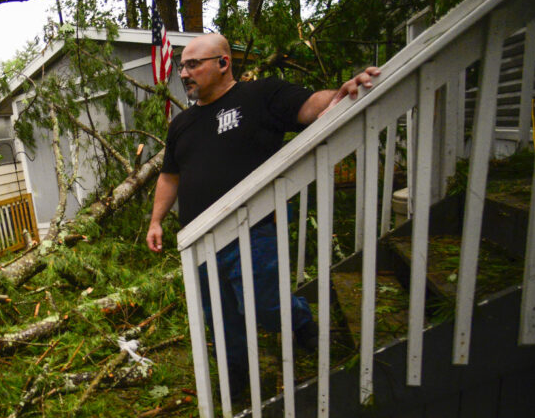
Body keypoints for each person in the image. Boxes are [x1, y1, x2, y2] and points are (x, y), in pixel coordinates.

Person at [146, 32, 379, 398]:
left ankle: (299, 320)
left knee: (264, 306)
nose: (184, 73)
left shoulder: (259, 96)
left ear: (223, 63)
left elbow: (308, 106)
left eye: (193, 64)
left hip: (251, 229)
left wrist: (339, 94)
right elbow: (169, 175)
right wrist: (156, 220)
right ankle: (239, 384)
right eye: (182, 66)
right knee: (222, 321)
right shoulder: (182, 124)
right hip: (200, 240)